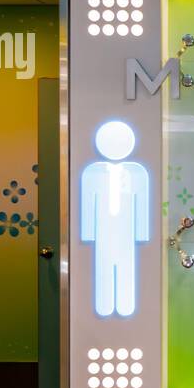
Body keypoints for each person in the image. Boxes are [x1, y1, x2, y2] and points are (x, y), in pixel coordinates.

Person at [80, 120, 149, 317]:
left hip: (126, 229)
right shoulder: (91, 172)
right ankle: (104, 305)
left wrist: (141, 232)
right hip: (103, 228)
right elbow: (86, 202)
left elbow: (142, 203)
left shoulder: (138, 172)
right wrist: (89, 233)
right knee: (104, 267)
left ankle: (126, 306)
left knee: (127, 267)